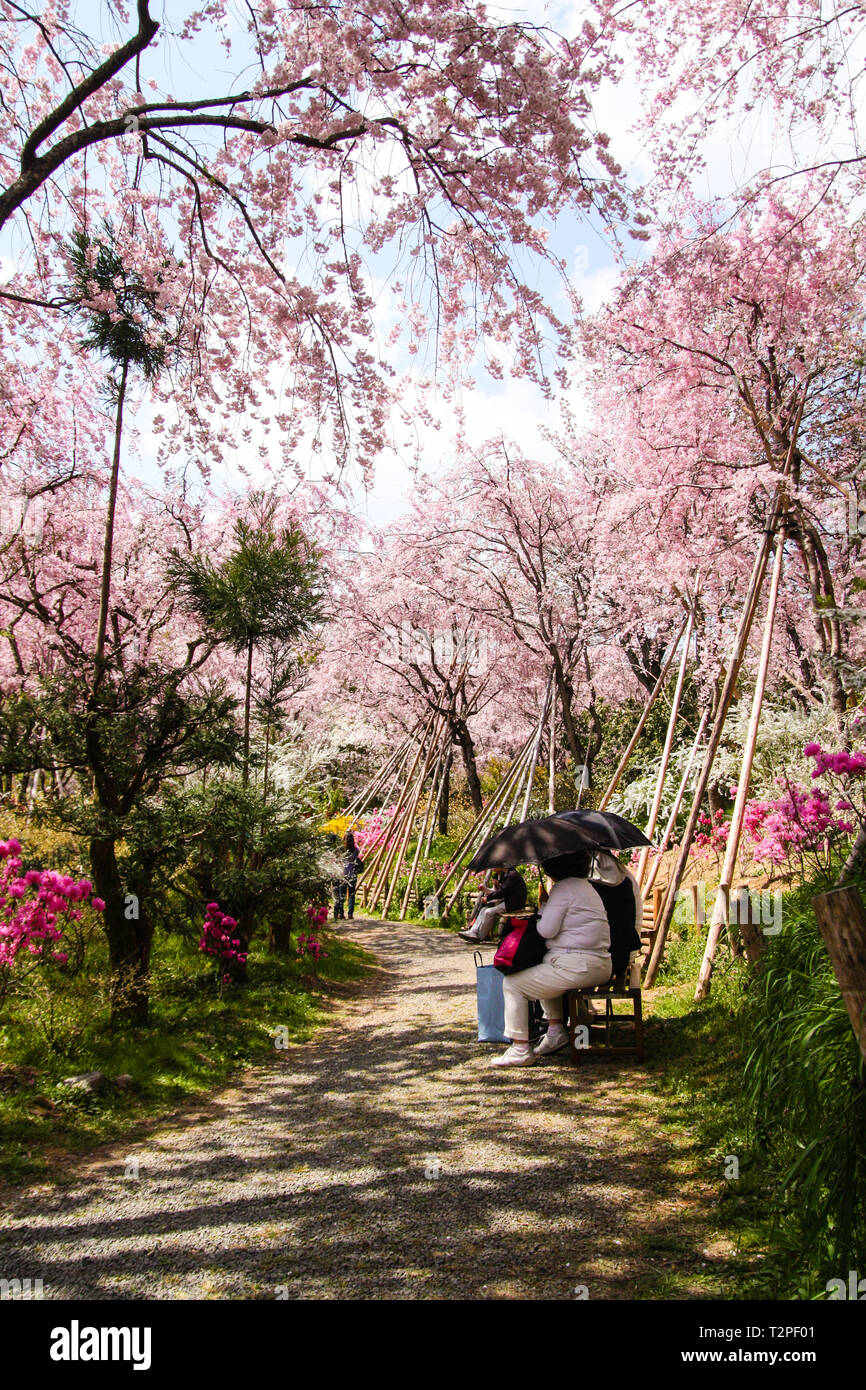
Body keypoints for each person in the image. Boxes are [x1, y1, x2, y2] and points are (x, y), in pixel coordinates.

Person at [490, 848, 612, 1068]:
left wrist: (545, 906)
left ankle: (519, 1049)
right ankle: (555, 1031)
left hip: (577, 965)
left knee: (512, 985)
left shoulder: (563, 889)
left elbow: (546, 930)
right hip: (598, 963)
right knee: (542, 968)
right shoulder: (587, 887)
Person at [589, 850, 643, 980]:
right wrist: (631, 956)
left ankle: (580, 1001)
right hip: (622, 957)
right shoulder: (627, 878)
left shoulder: (586, 883)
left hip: (595, 961)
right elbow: (637, 919)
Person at [459, 865, 528, 941]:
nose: (492, 867)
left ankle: (480, 936)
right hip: (507, 902)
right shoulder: (504, 874)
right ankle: (473, 932)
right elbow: (499, 892)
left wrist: (488, 898)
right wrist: (485, 890)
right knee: (483, 910)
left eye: (495, 865)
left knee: (488, 912)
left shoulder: (512, 875)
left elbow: (502, 891)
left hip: (514, 904)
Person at [333, 831, 365, 921]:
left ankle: (341, 913)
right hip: (352, 874)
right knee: (351, 894)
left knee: (341, 894)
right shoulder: (356, 850)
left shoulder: (340, 850)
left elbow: (337, 859)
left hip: (342, 874)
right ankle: (350, 913)